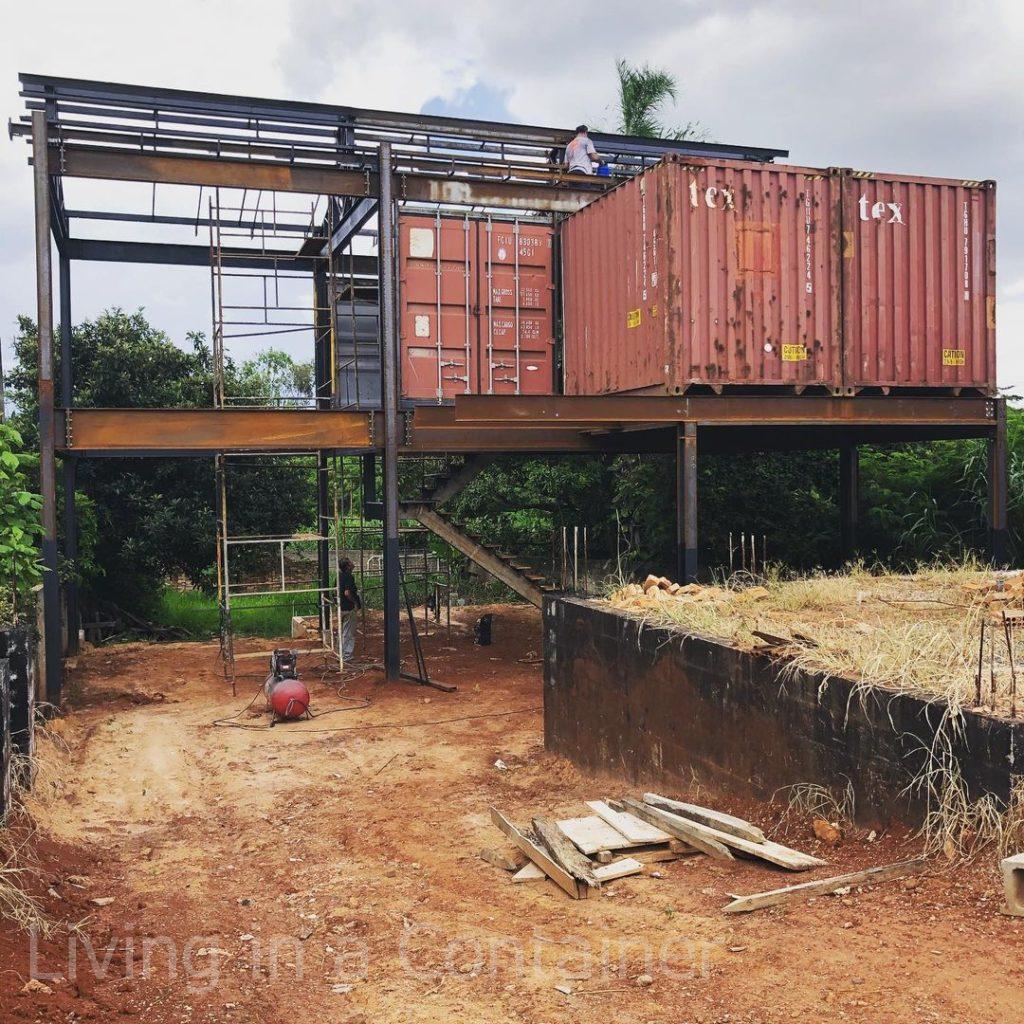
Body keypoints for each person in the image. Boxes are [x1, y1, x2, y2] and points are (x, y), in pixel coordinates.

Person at [338, 558, 361, 663]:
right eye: (351, 562)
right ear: (347, 566)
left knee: (343, 631)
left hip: (341, 607)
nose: (353, 563)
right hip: (348, 608)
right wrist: (355, 603)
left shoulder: (339, 576)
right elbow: (347, 593)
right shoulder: (348, 576)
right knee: (349, 633)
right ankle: (346, 656)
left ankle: (340, 653)